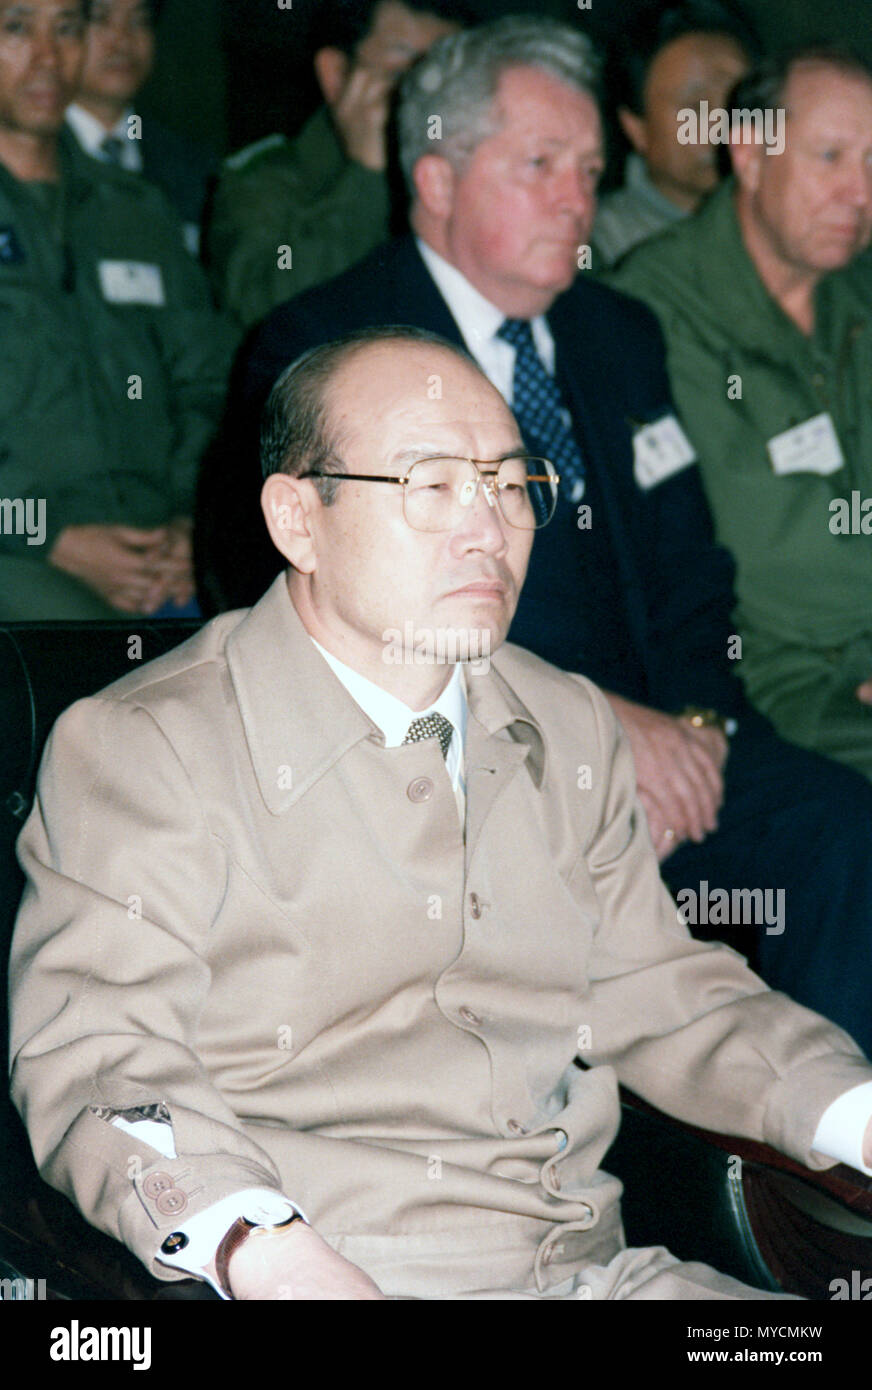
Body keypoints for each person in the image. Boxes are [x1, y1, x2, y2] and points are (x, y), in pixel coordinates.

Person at [10, 325, 872, 1303]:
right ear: (297, 520)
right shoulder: (148, 747)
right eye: (429, 483)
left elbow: (663, 990)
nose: (487, 526)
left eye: (510, 485)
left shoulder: (567, 723)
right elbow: (101, 1061)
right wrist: (260, 1247)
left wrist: (851, 1110)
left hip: (596, 1278)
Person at [228, 18, 872, 1054]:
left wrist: (698, 726)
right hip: (469, 760)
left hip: (674, 745)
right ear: (434, 178)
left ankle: (828, 1183)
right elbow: (337, 628)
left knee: (840, 833)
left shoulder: (613, 334)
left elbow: (694, 574)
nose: (577, 200)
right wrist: (600, 727)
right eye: (539, 165)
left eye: (586, 169)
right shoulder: (326, 348)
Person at [612, 48, 872, 781]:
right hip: (773, 684)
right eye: (831, 157)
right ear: (751, 153)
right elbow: (771, 558)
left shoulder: (856, 291)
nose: (861, 193)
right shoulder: (654, 311)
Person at [0, 0, 236, 620]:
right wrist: (47, 536)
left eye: (69, 29)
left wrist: (189, 522)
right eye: (17, 28)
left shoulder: (135, 210)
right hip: (25, 550)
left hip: (158, 549)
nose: (49, 57)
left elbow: (206, 384)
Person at [205, 0, 468, 330]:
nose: (427, 98)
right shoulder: (267, 179)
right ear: (335, 74)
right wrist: (365, 175)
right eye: (404, 74)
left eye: (445, 79)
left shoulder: (467, 174)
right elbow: (269, 312)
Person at [592, 0, 754, 268]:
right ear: (636, 128)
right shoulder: (603, 248)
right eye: (694, 108)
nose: (721, 126)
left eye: (736, 104)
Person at [65, 0, 217, 255]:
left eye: (139, 21)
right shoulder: (31, 156)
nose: (123, 41)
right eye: (101, 19)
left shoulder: (190, 167)